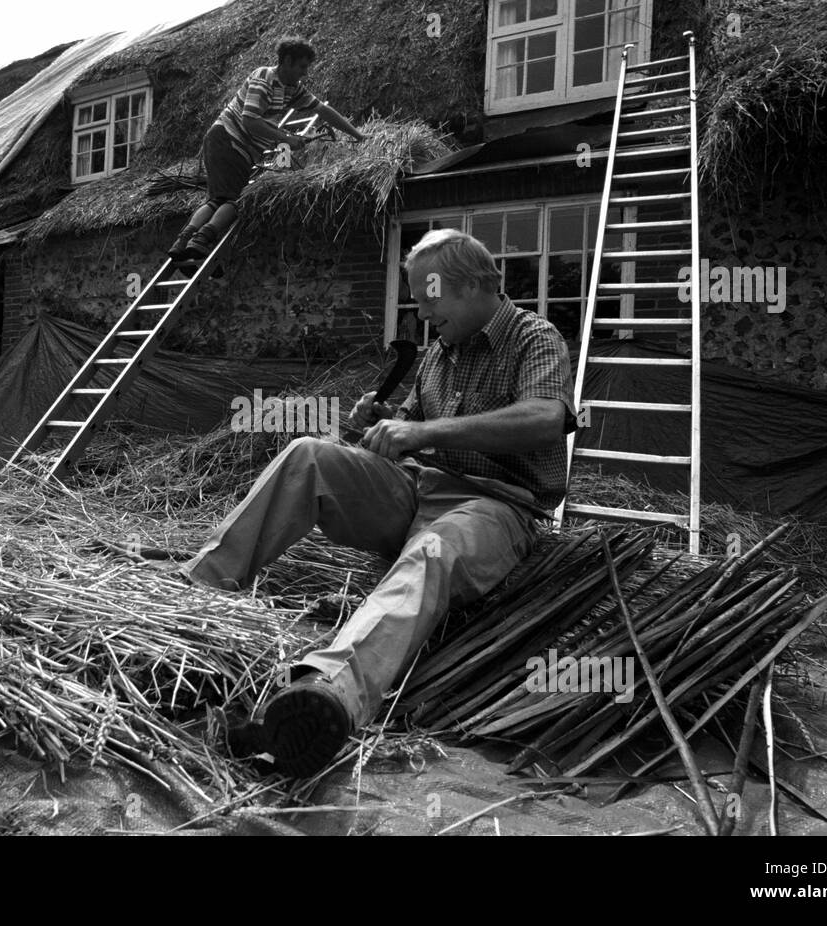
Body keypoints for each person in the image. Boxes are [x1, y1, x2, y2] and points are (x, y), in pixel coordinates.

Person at [180, 229, 578, 777]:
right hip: (419, 488)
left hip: (498, 505)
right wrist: (381, 424)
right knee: (308, 455)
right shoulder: (439, 353)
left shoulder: (534, 338)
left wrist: (423, 431)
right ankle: (197, 588)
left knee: (431, 551)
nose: (419, 309)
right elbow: (415, 428)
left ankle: (328, 695)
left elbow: (545, 419)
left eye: (428, 295)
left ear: (473, 286)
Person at [167, 36, 366, 262]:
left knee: (216, 200)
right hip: (228, 140)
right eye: (302, 67)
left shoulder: (292, 89)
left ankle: (182, 241)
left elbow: (322, 110)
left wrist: (357, 134)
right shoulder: (264, 78)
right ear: (287, 61)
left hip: (231, 145)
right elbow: (250, 120)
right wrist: (287, 139)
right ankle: (201, 240)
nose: (305, 73)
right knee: (237, 202)